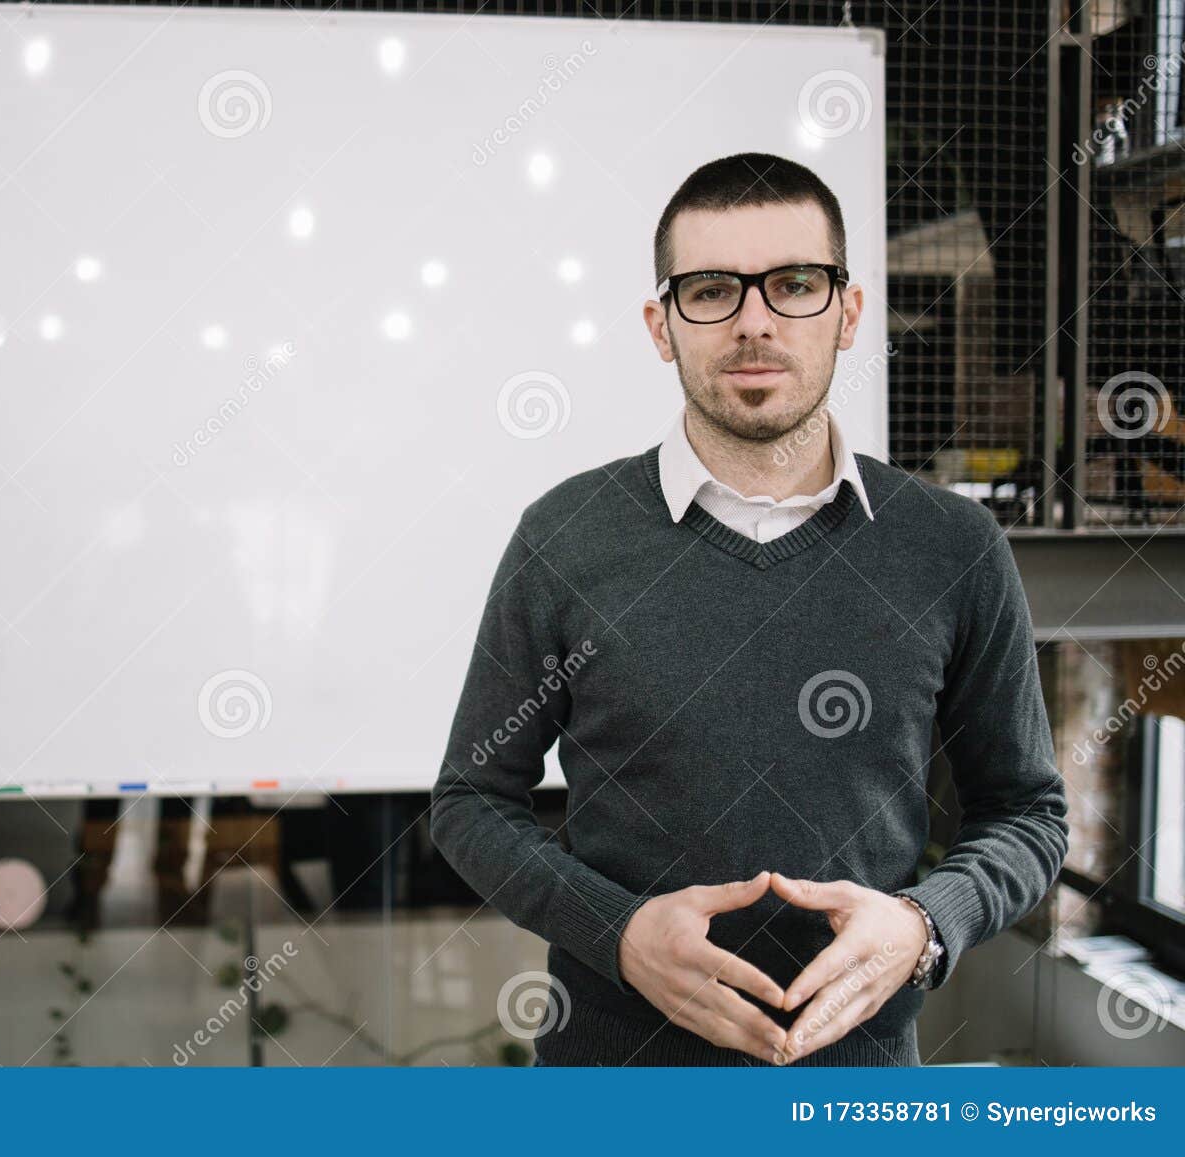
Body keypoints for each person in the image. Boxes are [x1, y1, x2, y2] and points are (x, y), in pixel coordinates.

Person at [430, 152, 1069, 1067]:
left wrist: (925, 923)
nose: (755, 322)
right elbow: (470, 800)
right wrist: (618, 933)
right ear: (662, 326)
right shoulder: (563, 537)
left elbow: (1028, 811)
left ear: (849, 312)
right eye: (712, 291)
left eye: (795, 285)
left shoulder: (953, 547)